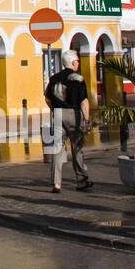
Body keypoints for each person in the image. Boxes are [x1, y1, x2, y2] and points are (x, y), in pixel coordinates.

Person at [44, 49, 91, 193]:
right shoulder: (78, 79)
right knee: (77, 148)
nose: (78, 63)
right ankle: (81, 180)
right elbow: (84, 101)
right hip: (74, 113)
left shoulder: (54, 78)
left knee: (57, 149)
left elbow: (47, 98)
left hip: (58, 113)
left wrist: (54, 110)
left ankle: (56, 183)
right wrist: (87, 119)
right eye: (77, 60)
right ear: (72, 62)